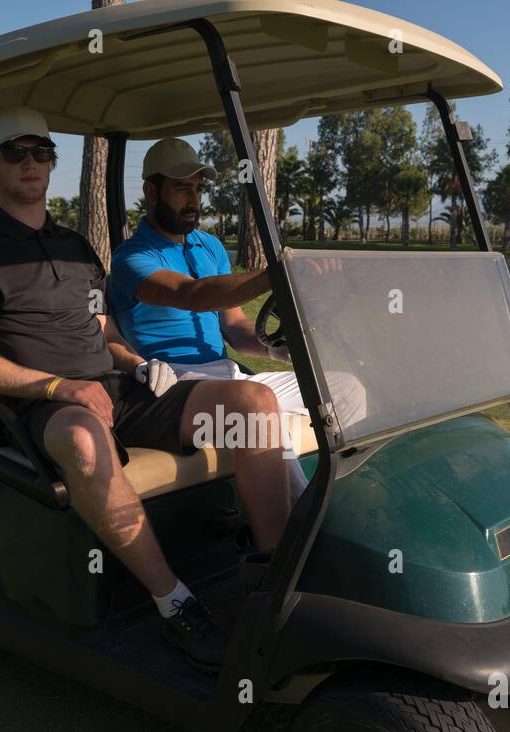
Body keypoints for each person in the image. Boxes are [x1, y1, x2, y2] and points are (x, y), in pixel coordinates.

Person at [0, 108, 290, 673]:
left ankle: (272, 580)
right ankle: (175, 604)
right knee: (82, 439)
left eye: (41, 152)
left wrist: (134, 363)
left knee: (254, 403)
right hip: (41, 404)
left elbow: (103, 330)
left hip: (115, 390)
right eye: (15, 153)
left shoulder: (76, 248)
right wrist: (61, 387)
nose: (31, 163)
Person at [108, 138, 366, 504]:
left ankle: (345, 499)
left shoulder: (210, 247)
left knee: (347, 389)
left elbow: (233, 324)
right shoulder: (132, 257)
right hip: (174, 381)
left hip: (228, 373)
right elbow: (190, 294)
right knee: (259, 408)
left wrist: (272, 349)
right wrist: (276, 275)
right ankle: (305, 523)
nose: (194, 200)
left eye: (198, 189)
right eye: (182, 188)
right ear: (152, 190)